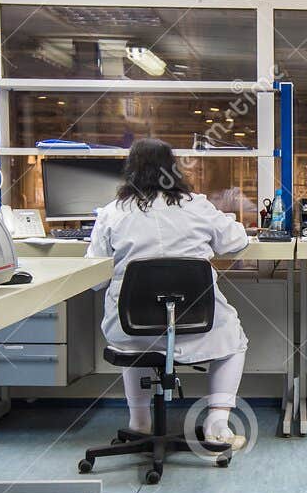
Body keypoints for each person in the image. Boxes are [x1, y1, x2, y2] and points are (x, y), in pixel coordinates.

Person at [86, 138, 251, 450]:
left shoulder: (112, 213)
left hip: (132, 326)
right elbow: (235, 241)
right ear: (173, 170)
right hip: (196, 324)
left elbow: (94, 276)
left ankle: (139, 421)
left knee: (134, 346)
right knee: (233, 342)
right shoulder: (196, 206)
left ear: (130, 172)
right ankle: (218, 423)